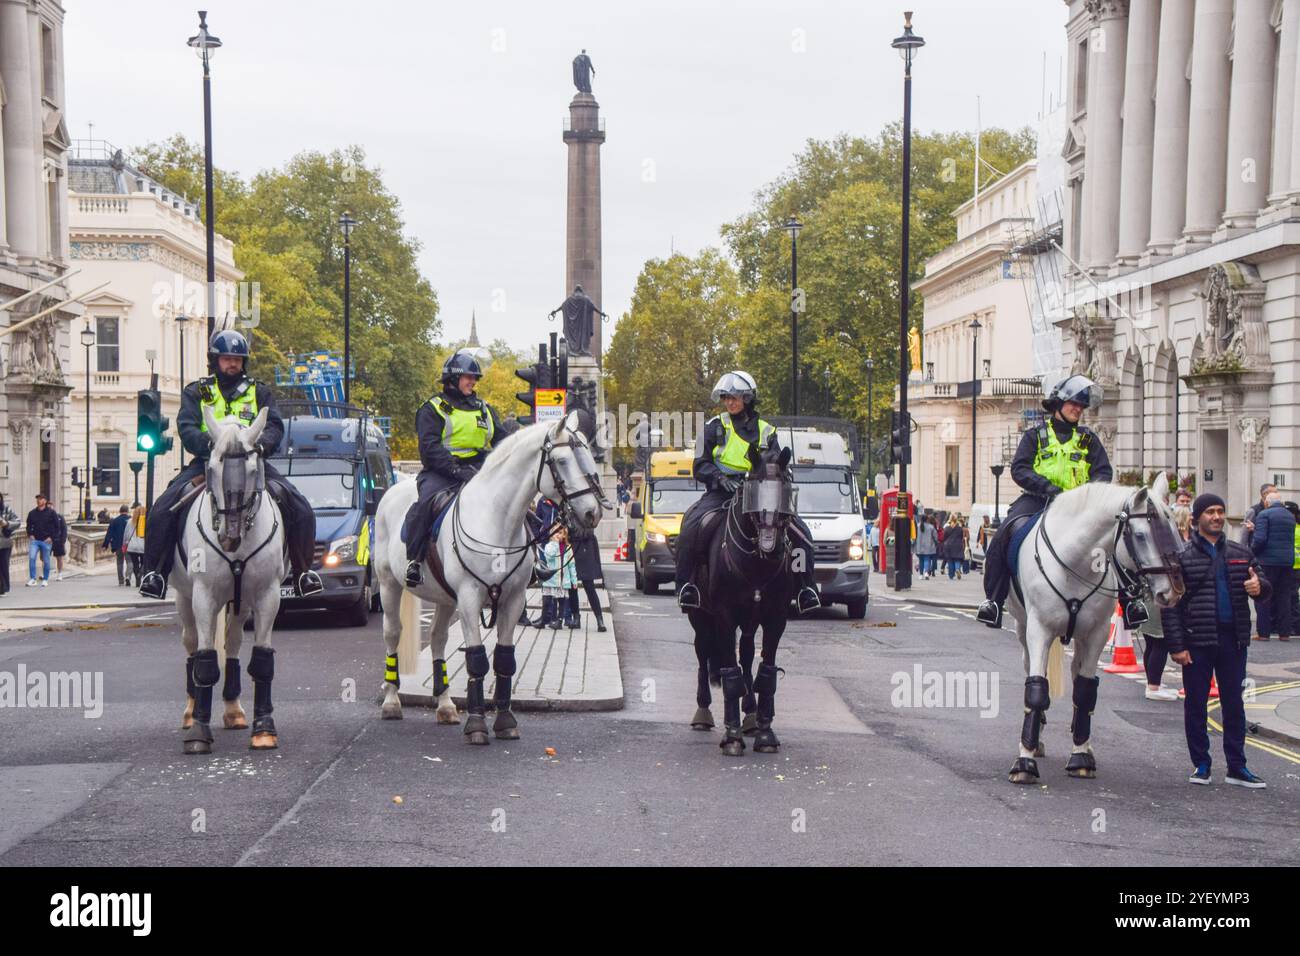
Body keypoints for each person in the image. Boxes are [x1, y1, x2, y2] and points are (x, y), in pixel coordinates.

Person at [139, 330, 323, 600]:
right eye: (226, 358)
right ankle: (154, 573)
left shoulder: (258, 391)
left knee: (300, 506)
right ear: (215, 360)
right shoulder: (197, 392)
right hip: (208, 463)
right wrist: (210, 446)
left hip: (251, 462)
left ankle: (303, 572)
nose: (232, 364)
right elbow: (187, 426)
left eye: (237, 359)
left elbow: (274, 425)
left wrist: (260, 447)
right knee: (164, 507)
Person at [674, 371, 820, 614]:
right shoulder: (712, 427)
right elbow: (699, 465)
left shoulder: (767, 431)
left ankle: (806, 588)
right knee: (691, 527)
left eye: (735, 397)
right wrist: (720, 478)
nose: (730, 402)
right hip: (722, 494)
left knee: (801, 534)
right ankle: (687, 586)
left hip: (761, 495)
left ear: (748, 398)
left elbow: (778, 465)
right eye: (726, 398)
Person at [976, 374, 1114, 627]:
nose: (1078, 409)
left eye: (1082, 406)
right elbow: (1020, 469)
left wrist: (1088, 493)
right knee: (1004, 534)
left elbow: (1104, 472)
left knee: (1117, 537)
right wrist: (1048, 488)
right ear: (1058, 404)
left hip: (1079, 506)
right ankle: (993, 602)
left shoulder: (1088, 439)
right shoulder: (1035, 436)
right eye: (1073, 403)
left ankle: (1130, 602)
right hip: (1038, 501)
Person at [1162, 493, 1269, 788]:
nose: (1217, 516)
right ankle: (1202, 764)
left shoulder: (1240, 553)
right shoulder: (1181, 558)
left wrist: (1258, 586)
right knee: (1196, 705)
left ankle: (1237, 766)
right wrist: (1177, 646)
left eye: (1221, 511)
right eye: (1210, 511)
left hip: (1233, 640)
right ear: (1197, 519)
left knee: (1234, 705)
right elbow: (1170, 606)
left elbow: (1265, 587)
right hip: (1197, 641)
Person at [402, 350, 505, 588]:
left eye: (475, 378)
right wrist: (457, 471)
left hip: (479, 468)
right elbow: (430, 449)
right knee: (426, 503)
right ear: (452, 380)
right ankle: (414, 560)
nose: (473, 382)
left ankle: (531, 558)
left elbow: (502, 440)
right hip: (441, 471)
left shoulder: (484, 408)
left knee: (514, 502)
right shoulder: (433, 408)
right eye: (469, 377)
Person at [1137, 502, 1192, 702]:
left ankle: (1151, 683)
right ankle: (1153, 686)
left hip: (1148, 596)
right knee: (1159, 642)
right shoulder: (1172, 545)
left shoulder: (1155, 541)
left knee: (1152, 642)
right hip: (1160, 597)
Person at [1250, 491, 1295, 642]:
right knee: (1284, 597)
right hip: (1287, 561)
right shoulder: (1290, 516)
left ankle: (1263, 633)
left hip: (1268, 561)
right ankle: (1284, 633)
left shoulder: (1264, 515)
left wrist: (1252, 552)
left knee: (1264, 596)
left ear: (1267, 502)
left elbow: (1260, 539)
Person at [568, 530, 607, 632]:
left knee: (589, 586)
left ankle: (599, 619)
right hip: (572, 543)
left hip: (586, 543)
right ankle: (576, 617)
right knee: (572, 585)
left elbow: (595, 519)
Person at [540, 526, 577, 628]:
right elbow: (549, 556)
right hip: (551, 579)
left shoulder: (568, 548)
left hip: (562, 580)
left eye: (560, 532)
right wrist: (555, 543)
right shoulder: (549, 546)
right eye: (555, 532)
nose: (557, 534)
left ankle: (559, 621)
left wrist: (574, 580)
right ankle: (544, 620)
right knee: (547, 600)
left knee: (561, 601)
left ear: (564, 535)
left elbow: (571, 565)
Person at [25, 494, 58, 587]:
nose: (38, 501)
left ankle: (45, 579)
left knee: (46, 560)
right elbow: (28, 526)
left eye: (40, 499)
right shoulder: (32, 513)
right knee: (32, 558)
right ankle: (32, 578)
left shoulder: (51, 513)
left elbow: (57, 527)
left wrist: (51, 537)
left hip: (46, 540)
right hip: (35, 540)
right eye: (37, 499)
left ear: (45, 501)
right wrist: (30, 534)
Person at [102, 505, 131, 586]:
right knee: (129, 561)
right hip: (128, 544)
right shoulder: (131, 520)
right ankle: (128, 576)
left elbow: (109, 533)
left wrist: (105, 545)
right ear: (127, 511)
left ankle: (121, 580)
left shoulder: (115, 521)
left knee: (119, 562)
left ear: (120, 511)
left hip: (118, 545)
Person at [124, 503, 145, 587]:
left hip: (132, 546)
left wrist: (125, 543)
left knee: (135, 563)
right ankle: (141, 573)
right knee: (144, 563)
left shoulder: (130, 522)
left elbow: (126, 535)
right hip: (143, 546)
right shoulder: (146, 521)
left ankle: (137, 579)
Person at [942, 515, 965, 580]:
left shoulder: (947, 528)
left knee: (950, 560)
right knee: (957, 559)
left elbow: (944, 537)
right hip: (957, 544)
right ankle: (957, 569)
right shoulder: (960, 528)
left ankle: (951, 575)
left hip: (948, 545)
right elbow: (961, 537)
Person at [0, 504, 14, 595]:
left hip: (4, 543)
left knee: (4, 565)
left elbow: (17, 522)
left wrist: (7, 523)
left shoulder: (6, 509)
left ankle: (4, 587)